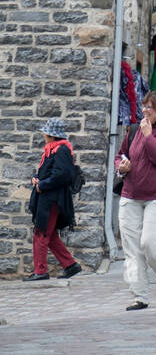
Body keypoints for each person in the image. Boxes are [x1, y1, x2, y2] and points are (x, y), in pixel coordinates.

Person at [116, 90, 156, 309]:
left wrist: (149, 136)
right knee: (132, 250)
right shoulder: (133, 130)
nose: (144, 110)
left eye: (149, 107)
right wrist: (120, 167)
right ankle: (140, 296)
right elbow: (121, 154)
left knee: (150, 244)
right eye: (143, 106)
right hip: (130, 194)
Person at [24, 118, 83, 282]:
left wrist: (43, 185)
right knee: (50, 235)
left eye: (45, 132)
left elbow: (63, 174)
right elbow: (46, 171)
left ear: (51, 135)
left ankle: (40, 271)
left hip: (53, 199)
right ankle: (70, 265)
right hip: (48, 197)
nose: (43, 134)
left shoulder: (61, 150)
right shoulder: (52, 149)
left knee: (41, 233)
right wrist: (36, 178)